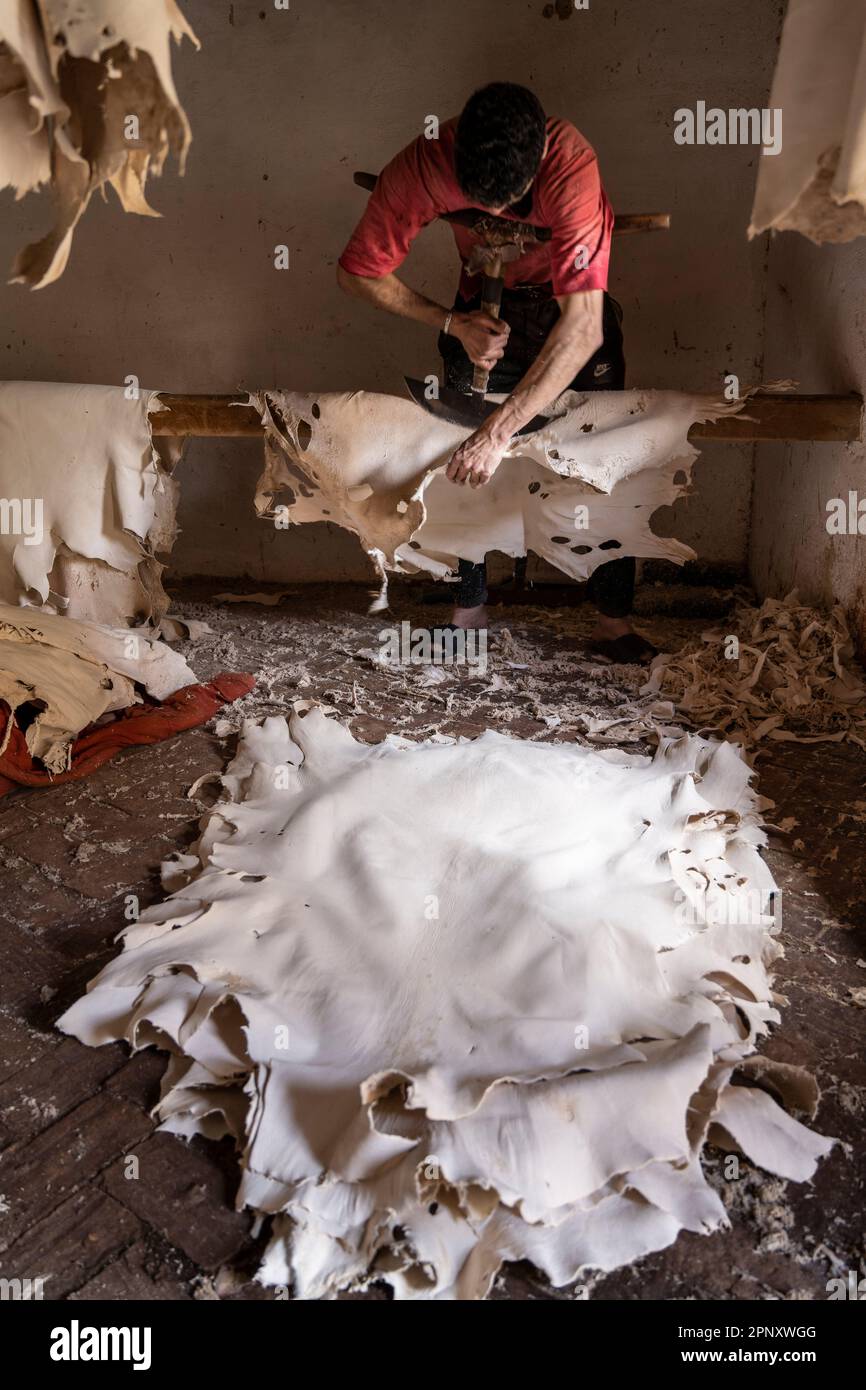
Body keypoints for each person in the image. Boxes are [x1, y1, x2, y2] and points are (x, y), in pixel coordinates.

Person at [337, 81, 656, 663]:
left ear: (538, 161)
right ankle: (467, 616)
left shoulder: (569, 164)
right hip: (481, 308)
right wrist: (451, 324)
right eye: (489, 207)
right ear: (456, 158)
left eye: (515, 205)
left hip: (567, 308)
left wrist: (499, 431)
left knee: (605, 452)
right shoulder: (424, 163)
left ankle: (614, 623)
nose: (505, 219)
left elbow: (582, 327)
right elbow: (359, 271)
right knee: (460, 449)